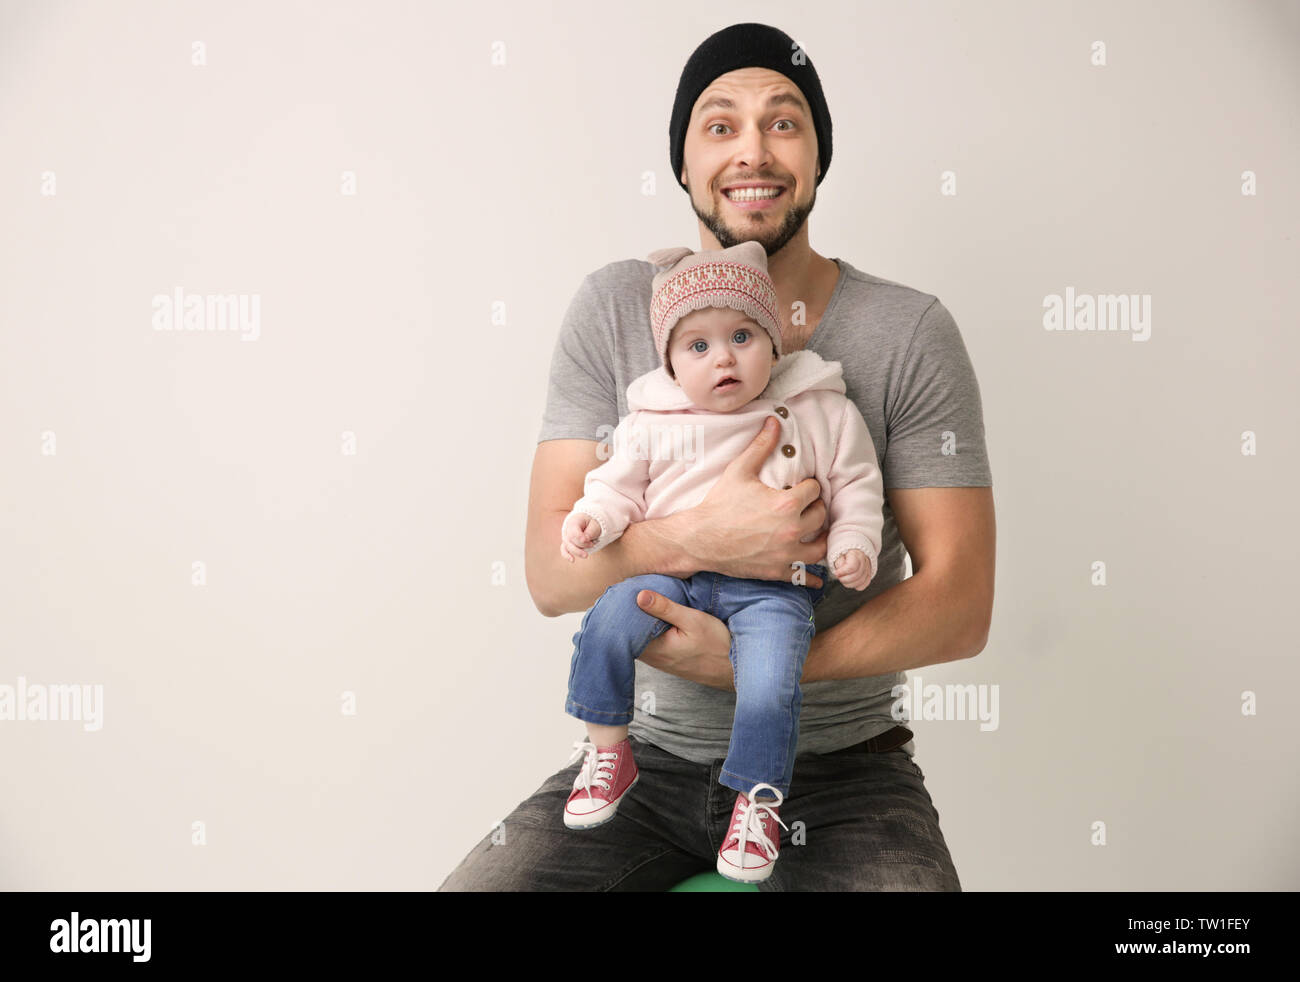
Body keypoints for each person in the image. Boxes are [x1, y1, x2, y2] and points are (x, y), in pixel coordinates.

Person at [439, 21, 995, 892]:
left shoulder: (905, 334)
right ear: (685, 161)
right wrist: (700, 537)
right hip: (646, 765)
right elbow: (553, 575)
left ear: (816, 156)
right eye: (719, 123)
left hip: (848, 773)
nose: (754, 152)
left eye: (784, 121)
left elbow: (961, 605)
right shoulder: (614, 309)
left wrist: (764, 669)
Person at [558, 240, 884, 882]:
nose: (724, 358)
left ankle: (759, 799)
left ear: (773, 341)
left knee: (769, 672)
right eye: (698, 346)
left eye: (742, 335)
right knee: (608, 618)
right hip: (673, 576)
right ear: (673, 365)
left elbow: (856, 485)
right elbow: (619, 487)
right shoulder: (652, 420)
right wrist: (594, 520)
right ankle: (608, 750)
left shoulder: (821, 409)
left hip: (775, 589)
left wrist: (855, 545)